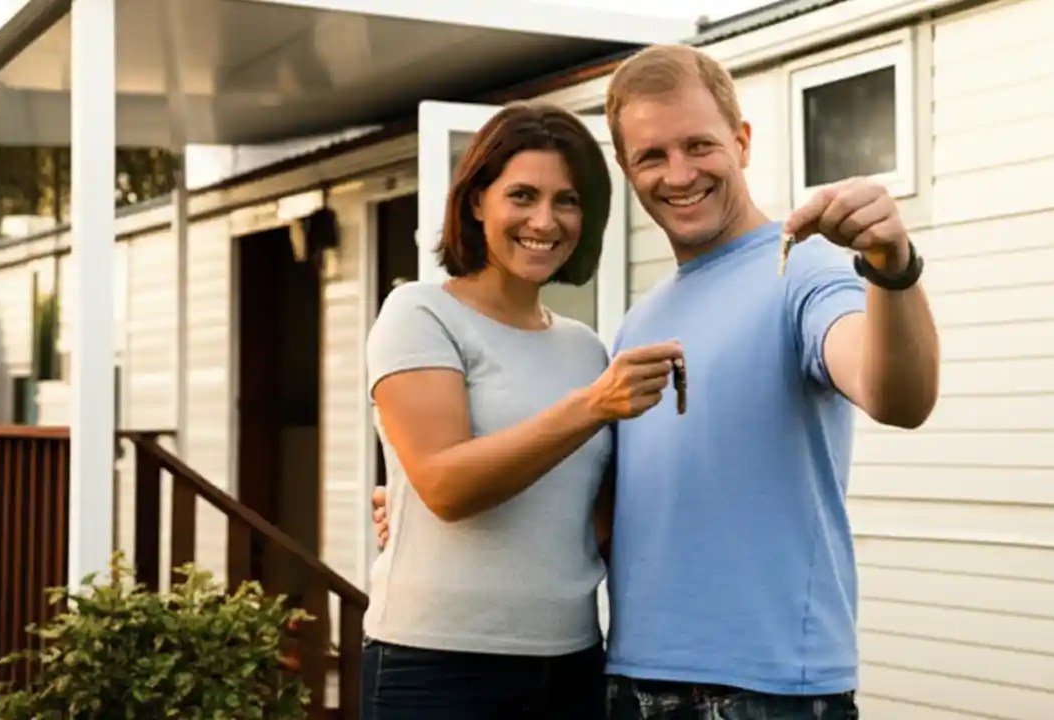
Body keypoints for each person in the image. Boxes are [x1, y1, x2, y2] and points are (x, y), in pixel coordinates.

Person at [374, 44, 939, 719]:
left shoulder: (804, 270)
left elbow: (897, 396)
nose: (679, 174)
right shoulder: (638, 324)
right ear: (627, 169)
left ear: (742, 141)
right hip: (626, 679)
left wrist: (893, 267)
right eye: (651, 156)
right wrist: (413, 507)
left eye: (698, 145)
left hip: (764, 689)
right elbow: (614, 506)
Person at [360, 100, 683, 719]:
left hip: (571, 663)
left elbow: (595, 517)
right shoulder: (421, 313)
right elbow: (445, 487)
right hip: (435, 665)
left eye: (568, 200)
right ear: (477, 200)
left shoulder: (585, 348)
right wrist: (592, 406)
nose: (545, 219)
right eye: (523, 195)